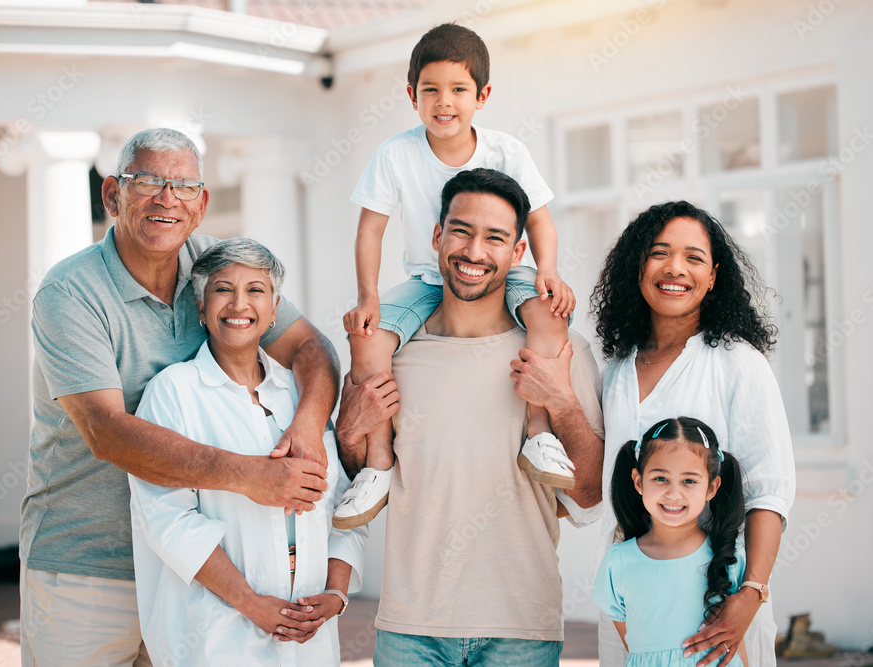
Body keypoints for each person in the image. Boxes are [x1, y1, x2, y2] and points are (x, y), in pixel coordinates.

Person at [20, 128, 340, 666]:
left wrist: (308, 426)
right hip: (89, 565)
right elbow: (107, 432)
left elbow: (311, 346)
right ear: (111, 195)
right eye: (147, 181)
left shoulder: (219, 273)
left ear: (201, 203)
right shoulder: (70, 293)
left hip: (191, 571)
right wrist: (252, 475)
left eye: (184, 186)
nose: (166, 198)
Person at [337, 168, 604, 665]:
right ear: (437, 237)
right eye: (461, 230)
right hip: (410, 629)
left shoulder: (561, 354)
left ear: (518, 253)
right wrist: (349, 430)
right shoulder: (390, 351)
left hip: (521, 630)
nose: (474, 252)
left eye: (496, 238)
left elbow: (588, 497)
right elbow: (357, 478)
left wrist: (560, 402)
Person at [334, 24, 576, 530]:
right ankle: (379, 462)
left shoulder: (506, 151)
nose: (444, 102)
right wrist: (368, 296)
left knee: (549, 315)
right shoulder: (395, 154)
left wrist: (547, 272)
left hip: (502, 271)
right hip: (427, 279)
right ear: (411, 96)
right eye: (431, 90)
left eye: (459, 90)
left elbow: (540, 221)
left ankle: (538, 433)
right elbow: (370, 232)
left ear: (482, 96)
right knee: (370, 339)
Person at [128, 238, 365, 665]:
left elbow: (345, 502)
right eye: (223, 289)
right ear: (201, 308)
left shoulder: (301, 396)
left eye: (256, 290)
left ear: (275, 311)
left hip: (310, 636)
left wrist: (336, 593)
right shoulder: (174, 392)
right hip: (217, 635)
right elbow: (167, 519)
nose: (240, 304)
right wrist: (253, 604)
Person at [590, 201, 796, 667]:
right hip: (632, 605)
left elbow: (770, 492)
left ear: (714, 275)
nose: (675, 269)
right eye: (659, 252)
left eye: (694, 257)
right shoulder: (617, 371)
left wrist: (751, 593)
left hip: (718, 604)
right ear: (637, 265)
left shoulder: (737, 364)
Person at [594, 417, 748, 667]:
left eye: (689, 481)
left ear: (712, 488)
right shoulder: (618, 562)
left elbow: (735, 646)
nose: (674, 493)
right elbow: (635, 652)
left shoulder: (729, 557)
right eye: (660, 478)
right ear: (638, 481)